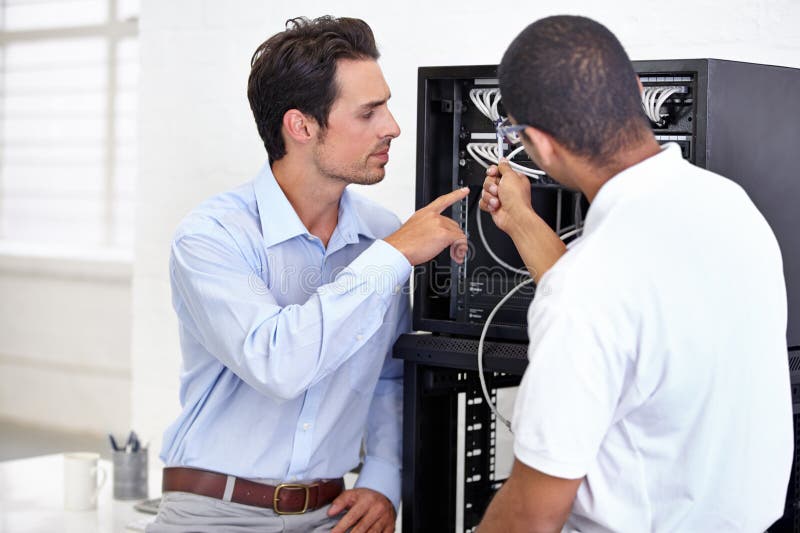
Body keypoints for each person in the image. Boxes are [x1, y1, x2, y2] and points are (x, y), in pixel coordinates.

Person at [148, 16, 468, 533]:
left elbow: (390, 376)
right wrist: (390, 258)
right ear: (301, 127)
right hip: (212, 513)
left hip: (334, 516)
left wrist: (383, 480)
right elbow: (277, 362)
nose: (392, 126)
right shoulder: (211, 238)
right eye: (369, 112)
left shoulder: (380, 235)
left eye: (385, 105)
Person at [476, 15, 792, 533]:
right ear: (638, 93)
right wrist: (522, 223)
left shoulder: (587, 289)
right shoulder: (732, 206)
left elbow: (531, 518)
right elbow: (635, 323)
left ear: (539, 143)